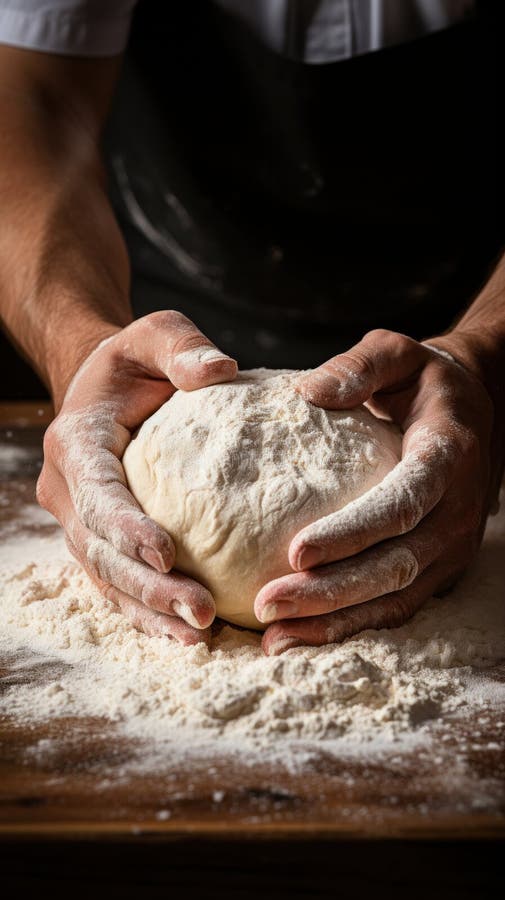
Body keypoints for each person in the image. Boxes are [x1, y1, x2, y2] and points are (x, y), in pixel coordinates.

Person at [0, 1, 503, 655]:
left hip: (470, 301)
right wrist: (85, 350)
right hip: (168, 323)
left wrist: (485, 358)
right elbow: (29, 103)